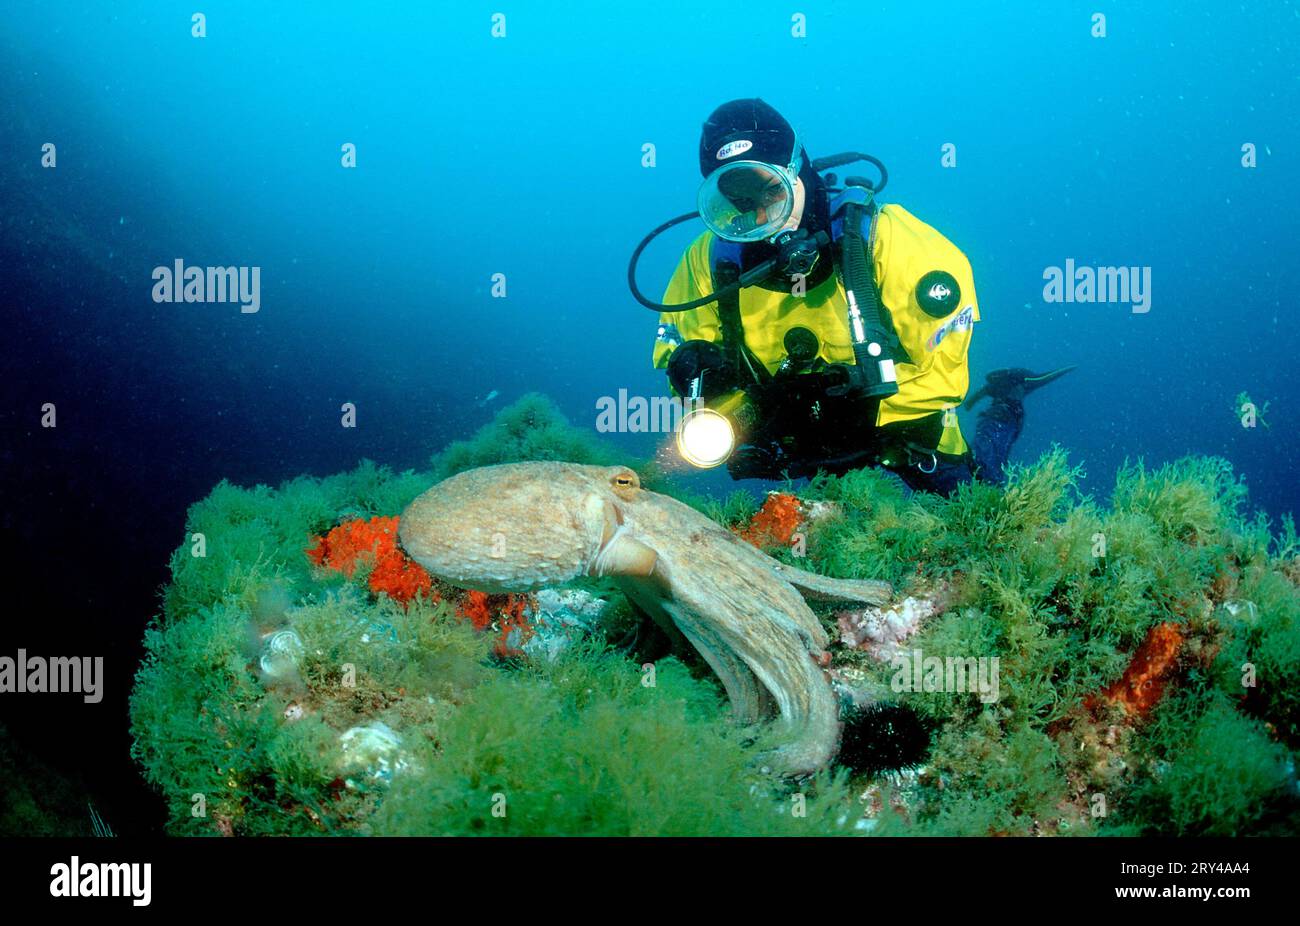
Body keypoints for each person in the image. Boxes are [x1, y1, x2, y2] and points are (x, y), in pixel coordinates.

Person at [642, 98, 1072, 494]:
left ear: (798, 168)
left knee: (980, 496)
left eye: (771, 191)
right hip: (799, 443)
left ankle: (1007, 400)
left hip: (903, 434)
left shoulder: (890, 242)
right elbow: (673, 346)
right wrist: (691, 372)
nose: (761, 218)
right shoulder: (711, 260)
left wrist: (858, 409)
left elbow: (945, 373)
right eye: (738, 201)